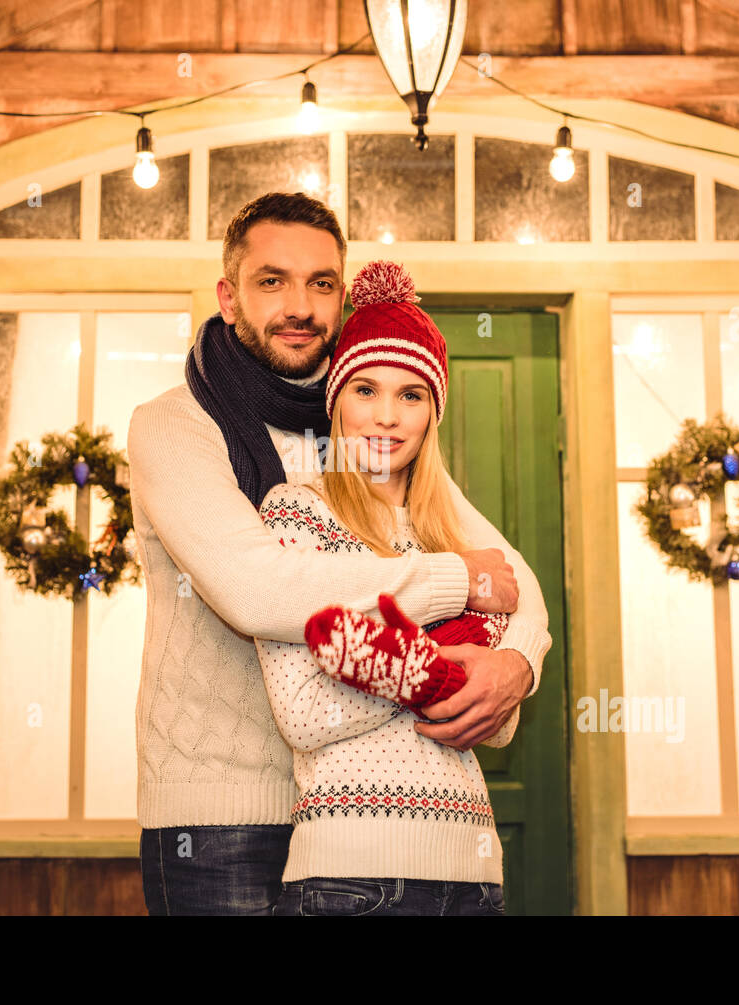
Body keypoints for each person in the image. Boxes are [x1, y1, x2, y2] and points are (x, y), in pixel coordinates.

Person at [127, 192, 552, 916]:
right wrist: (454, 585)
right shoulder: (176, 425)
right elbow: (257, 587)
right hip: (219, 810)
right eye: (272, 280)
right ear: (229, 296)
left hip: (360, 814)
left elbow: (510, 574)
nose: (300, 305)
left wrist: (518, 663)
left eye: (322, 283)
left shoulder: (363, 425)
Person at [258, 260, 515, 916]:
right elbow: (305, 715)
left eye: (411, 395)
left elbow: (501, 721)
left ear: (432, 412)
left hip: (472, 867)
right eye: (366, 389)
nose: (387, 416)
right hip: (351, 873)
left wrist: (401, 666)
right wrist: (439, 674)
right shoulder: (297, 513)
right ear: (336, 398)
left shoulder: (455, 536)